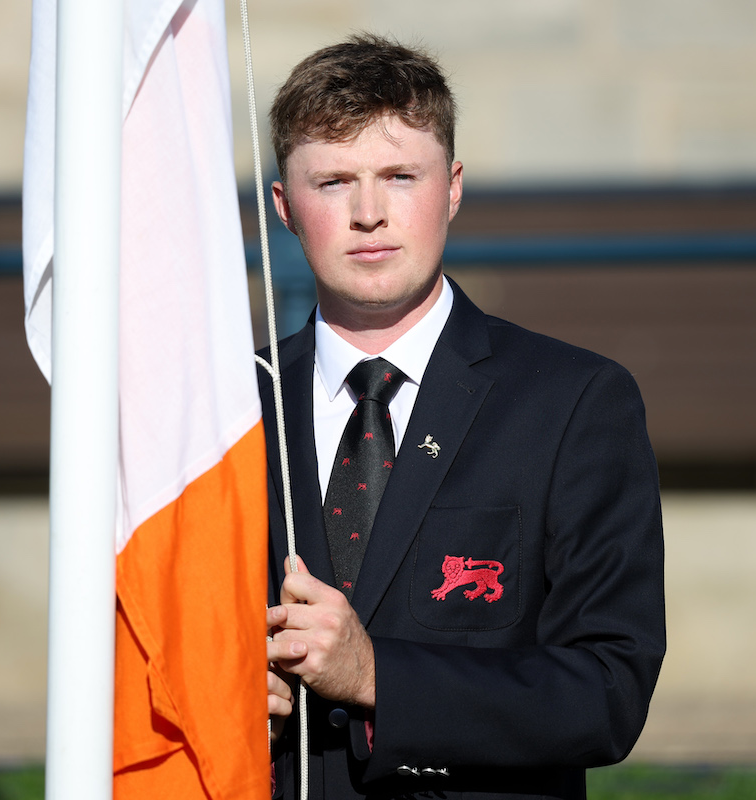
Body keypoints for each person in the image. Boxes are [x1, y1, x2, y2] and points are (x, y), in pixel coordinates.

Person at [260, 34, 665, 800]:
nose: (369, 213)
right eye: (334, 181)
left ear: (451, 187)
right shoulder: (228, 407)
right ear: (284, 206)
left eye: (399, 176)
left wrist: (382, 679)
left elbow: (608, 690)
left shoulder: (573, 402)